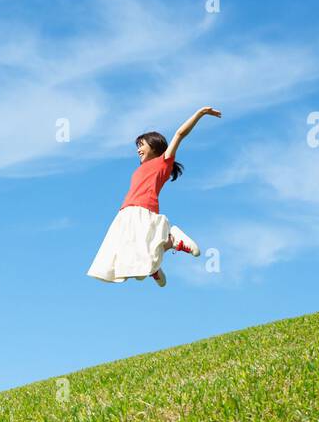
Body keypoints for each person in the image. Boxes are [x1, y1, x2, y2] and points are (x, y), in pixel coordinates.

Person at [86, 106, 221, 287]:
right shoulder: (139, 169)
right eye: (137, 146)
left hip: (142, 209)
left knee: (134, 260)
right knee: (128, 262)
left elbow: (180, 133)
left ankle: (172, 240)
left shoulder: (163, 162)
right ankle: (156, 265)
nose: (138, 150)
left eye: (141, 145)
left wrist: (200, 114)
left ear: (155, 146)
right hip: (126, 212)